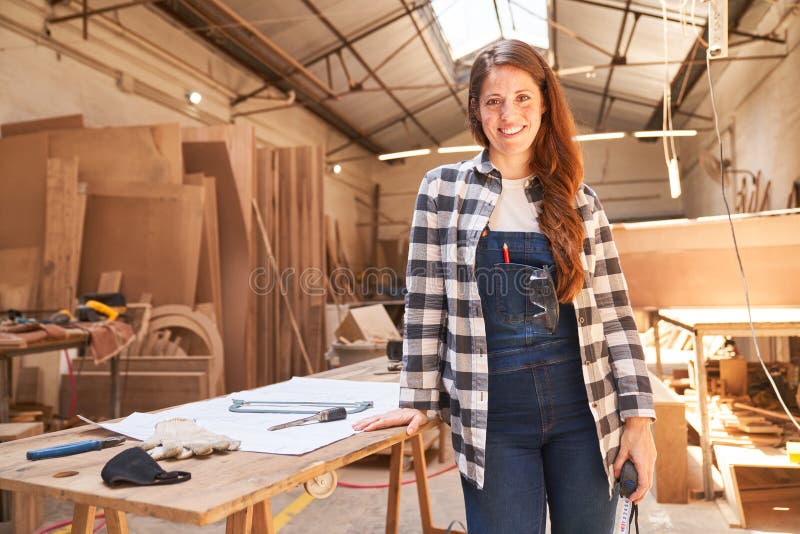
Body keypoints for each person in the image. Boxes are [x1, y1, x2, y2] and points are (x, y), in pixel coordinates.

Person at [352, 38, 656, 534]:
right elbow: (426, 301)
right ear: (476, 110)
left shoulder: (580, 200)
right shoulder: (442, 190)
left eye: (522, 99)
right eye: (493, 101)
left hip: (584, 409)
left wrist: (639, 422)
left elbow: (615, 314)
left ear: (543, 105)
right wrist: (417, 396)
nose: (507, 114)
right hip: (491, 415)